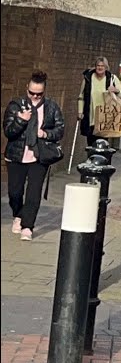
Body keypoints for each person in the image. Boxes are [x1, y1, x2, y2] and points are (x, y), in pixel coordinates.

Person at [4, 71, 66, 240]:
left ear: (44, 92)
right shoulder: (16, 105)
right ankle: (18, 214)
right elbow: (9, 132)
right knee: (14, 192)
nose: (35, 97)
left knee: (33, 192)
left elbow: (60, 130)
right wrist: (21, 120)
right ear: (27, 89)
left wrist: (45, 134)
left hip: (39, 156)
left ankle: (28, 226)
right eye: (32, 93)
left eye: (39, 94)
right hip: (16, 155)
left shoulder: (51, 107)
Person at [77, 56, 121, 145]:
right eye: (98, 65)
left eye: (102, 66)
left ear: (106, 67)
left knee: (103, 144)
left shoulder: (112, 78)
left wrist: (116, 90)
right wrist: (80, 111)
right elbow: (81, 95)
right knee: (91, 144)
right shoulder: (88, 78)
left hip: (105, 118)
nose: (100, 68)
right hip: (91, 117)